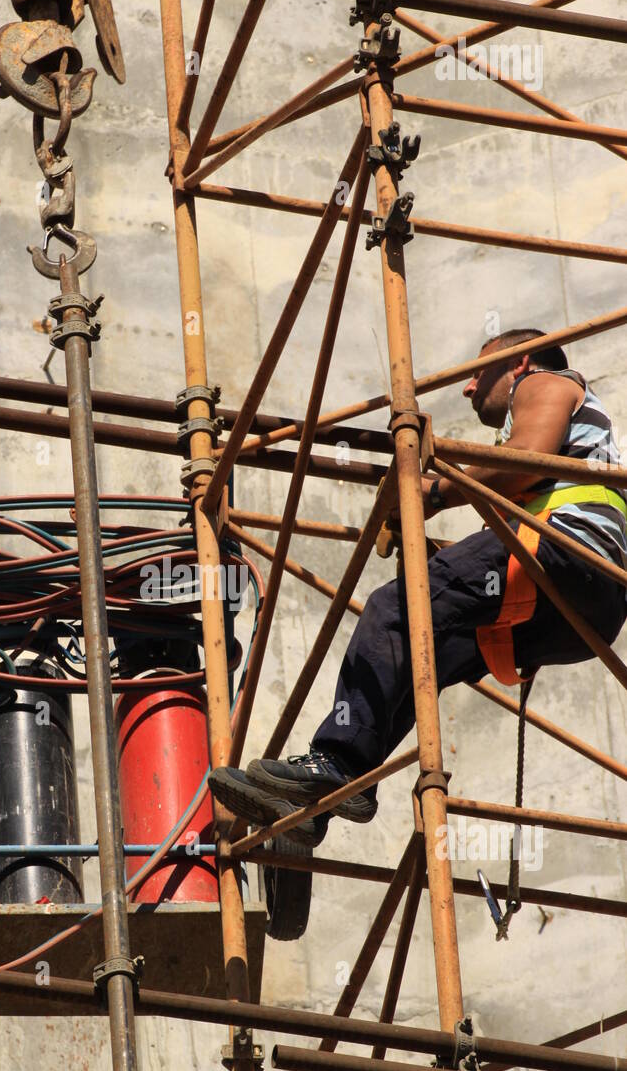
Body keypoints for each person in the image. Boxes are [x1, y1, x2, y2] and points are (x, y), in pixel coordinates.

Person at [210, 328, 627, 833]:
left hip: (559, 553)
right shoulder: (574, 426)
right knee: (420, 656)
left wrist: (432, 492)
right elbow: (517, 512)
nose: (468, 388)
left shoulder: (543, 382)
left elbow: (524, 461)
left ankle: (338, 761)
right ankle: (330, 796)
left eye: (478, 372)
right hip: (589, 604)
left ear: (518, 363)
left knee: (393, 609)